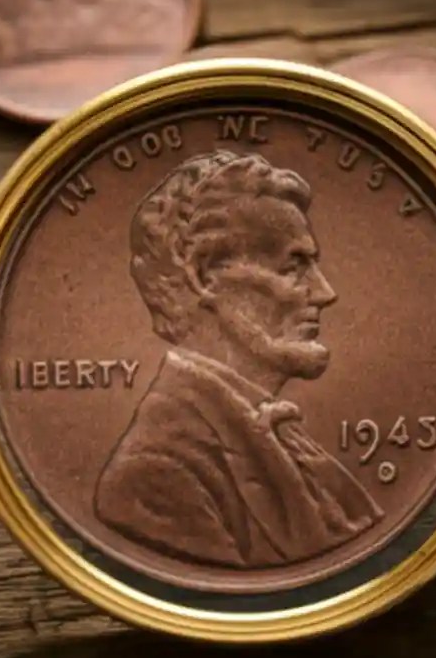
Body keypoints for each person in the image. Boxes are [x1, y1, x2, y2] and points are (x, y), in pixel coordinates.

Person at [93, 150, 383, 569]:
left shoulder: (276, 433)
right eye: (293, 267)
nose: (324, 293)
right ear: (204, 275)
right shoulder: (154, 475)